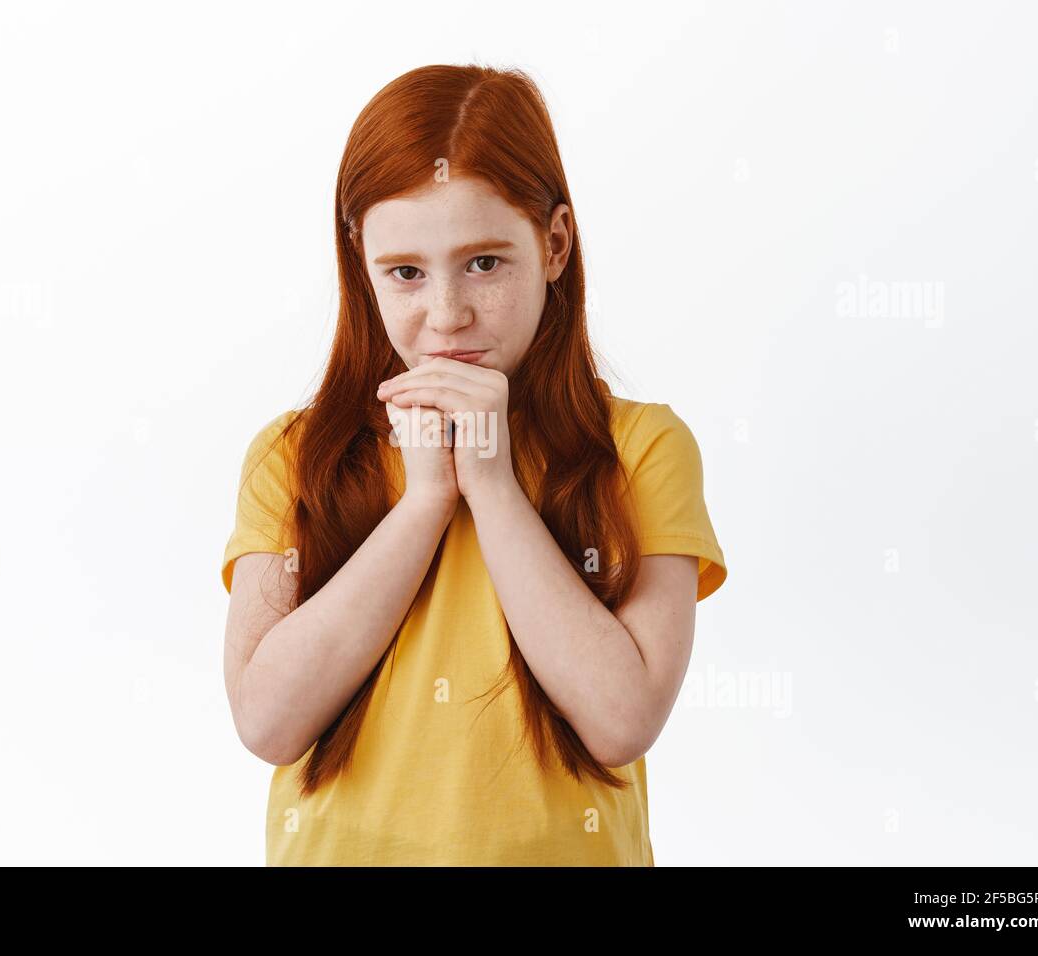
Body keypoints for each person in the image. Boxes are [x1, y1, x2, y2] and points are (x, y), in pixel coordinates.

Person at [219, 63, 728, 866]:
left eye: (485, 264)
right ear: (362, 265)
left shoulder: (644, 450)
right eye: (406, 273)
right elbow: (267, 721)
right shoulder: (294, 454)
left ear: (554, 245)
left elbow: (623, 717)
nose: (448, 314)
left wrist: (490, 486)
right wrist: (422, 506)